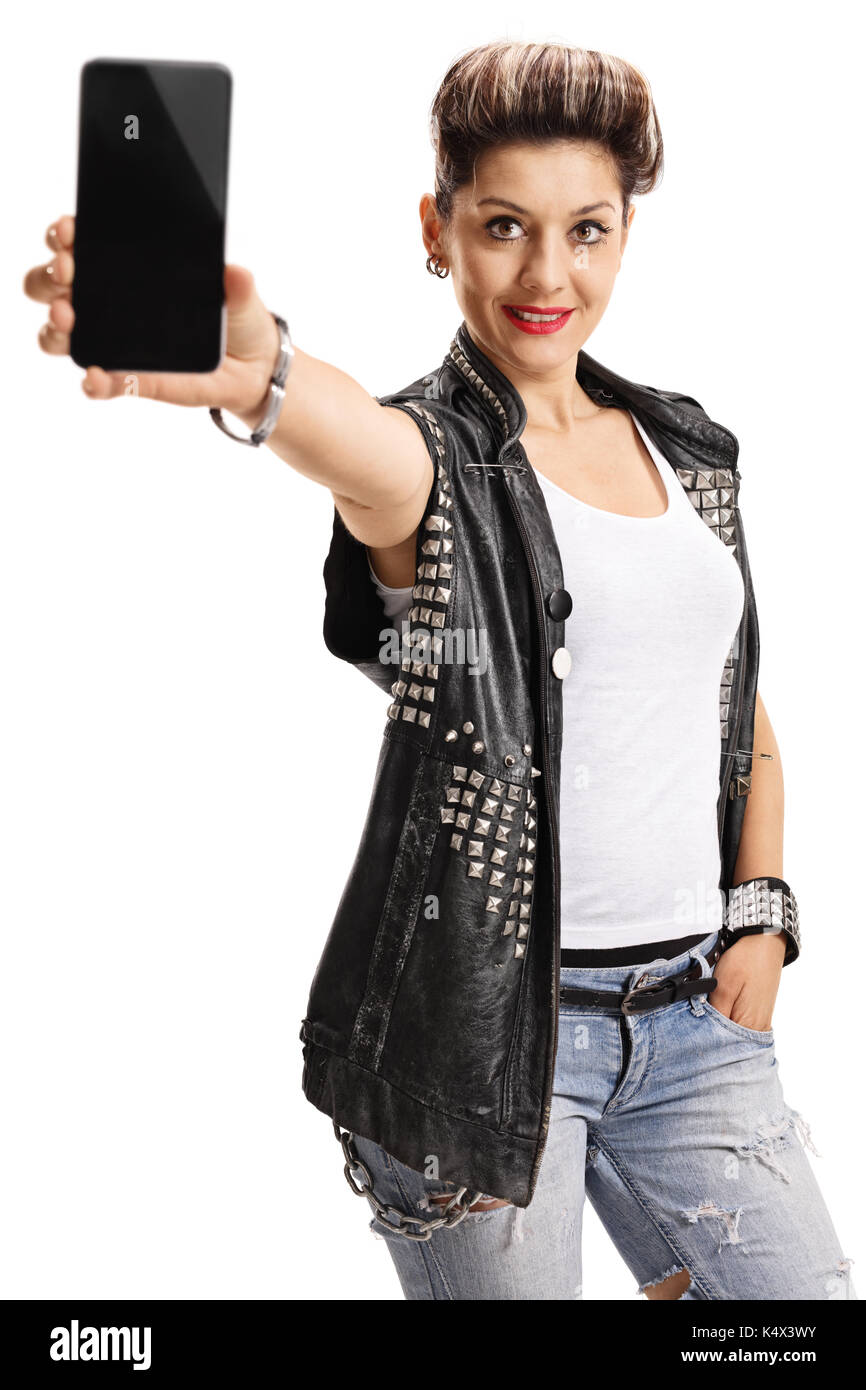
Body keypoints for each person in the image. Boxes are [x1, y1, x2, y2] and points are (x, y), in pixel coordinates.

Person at [23, 38, 854, 1301]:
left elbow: (736, 711)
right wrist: (269, 379)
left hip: (696, 1024)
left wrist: (762, 910)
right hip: (473, 1043)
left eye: (585, 231)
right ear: (438, 227)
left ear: (625, 232)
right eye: (503, 225)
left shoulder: (690, 452)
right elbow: (362, 446)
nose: (544, 274)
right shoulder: (434, 459)